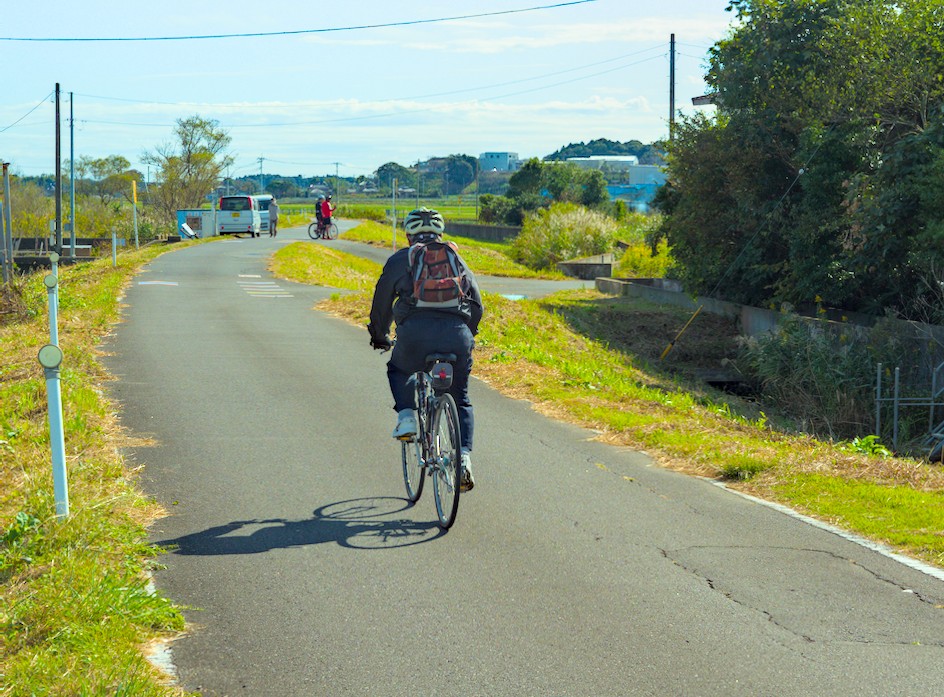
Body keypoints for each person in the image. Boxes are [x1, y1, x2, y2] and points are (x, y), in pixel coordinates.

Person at [368, 207, 484, 491]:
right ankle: (464, 461)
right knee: (460, 397)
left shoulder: (401, 259)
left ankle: (407, 417)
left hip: (414, 335)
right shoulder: (455, 256)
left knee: (400, 369)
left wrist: (379, 335)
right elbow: (477, 302)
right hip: (457, 335)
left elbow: (382, 302)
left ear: (408, 234)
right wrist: (468, 335)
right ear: (440, 233)